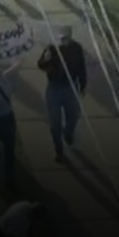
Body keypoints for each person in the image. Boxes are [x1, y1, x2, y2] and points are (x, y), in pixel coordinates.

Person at [36, 25, 87, 163]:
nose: (63, 40)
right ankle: (58, 150)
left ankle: (68, 133)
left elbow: (82, 68)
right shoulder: (52, 49)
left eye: (66, 38)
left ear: (70, 37)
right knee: (55, 122)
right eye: (61, 38)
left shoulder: (77, 48)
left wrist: (82, 86)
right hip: (54, 89)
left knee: (73, 116)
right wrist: (46, 59)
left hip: (70, 88)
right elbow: (40, 65)